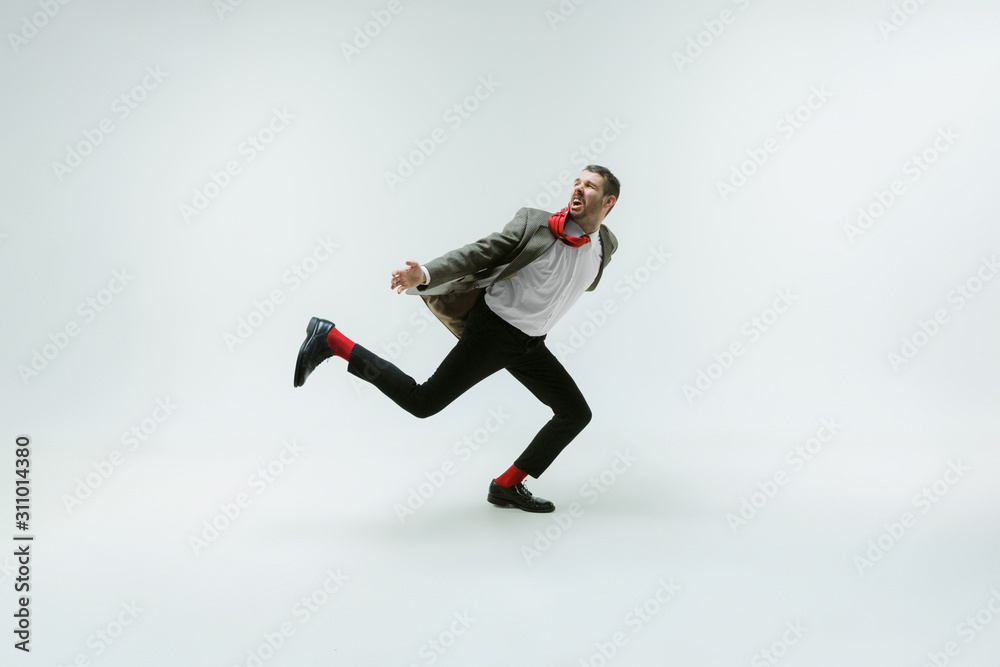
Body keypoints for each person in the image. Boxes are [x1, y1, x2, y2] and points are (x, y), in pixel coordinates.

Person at [294, 165, 620, 513]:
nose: (578, 189)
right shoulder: (537, 226)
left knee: (574, 413)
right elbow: (480, 251)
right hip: (494, 331)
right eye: (577, 182)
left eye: (589, 186)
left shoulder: (605, 245)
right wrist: (425, 274)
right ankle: (331, 340)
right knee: (423, 402)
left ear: (608, 202)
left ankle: (506, 486)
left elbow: (580, 278)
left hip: (530, 343)